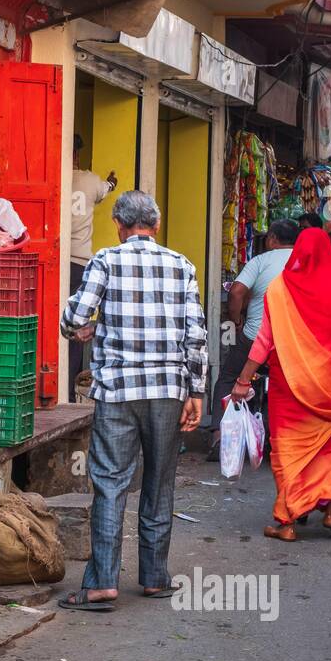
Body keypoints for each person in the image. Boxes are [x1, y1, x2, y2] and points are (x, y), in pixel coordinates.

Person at [57, 191, 207, 610]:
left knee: (109, 484)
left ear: (119, 226)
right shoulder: (182, 265)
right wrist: (196, 391)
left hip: (119, 390)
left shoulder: (106, 260)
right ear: (156, 226)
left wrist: (80, 332)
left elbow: (74, 317)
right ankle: (155, 577)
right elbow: (195, 335)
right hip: (168, 390)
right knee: (159, 483)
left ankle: (102, 582)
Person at [231, 228, 331, 541]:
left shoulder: (281, 289)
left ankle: (287, 521)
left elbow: (264, 340)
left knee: (288, 449)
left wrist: (243, 379)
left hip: (289, 385)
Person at [208, 219, 299, 459]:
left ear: (272, 240)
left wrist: (236, 320)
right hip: (294, 341)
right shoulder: (306, 262)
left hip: (255, 336)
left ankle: (220, 436)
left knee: (227, 378)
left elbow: (236, 292)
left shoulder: (260, 261)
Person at [68, 134, 117, 396]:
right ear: (76, 154)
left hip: (53, 262)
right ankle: (67, 390)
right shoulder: (89, 180)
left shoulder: (55, 176)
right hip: (78, 264)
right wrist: (111, 182)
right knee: (76, 331)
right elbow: (106, 189)